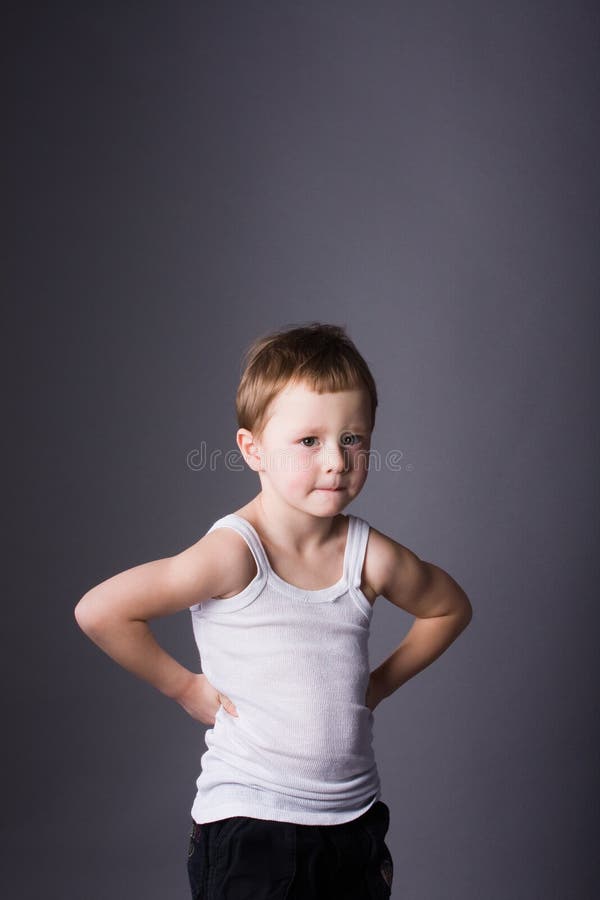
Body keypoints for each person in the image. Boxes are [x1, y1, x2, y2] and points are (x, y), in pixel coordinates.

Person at [74, 321, 473, 899]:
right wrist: (184, 687)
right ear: (253, 449)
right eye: (309, 442)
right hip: (251, 823)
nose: (336, 461)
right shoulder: (234, 554)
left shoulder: (368, 555)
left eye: (353, 439)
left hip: (352, 820)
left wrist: (378, 684)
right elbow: (100, 611)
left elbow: (448, 608)